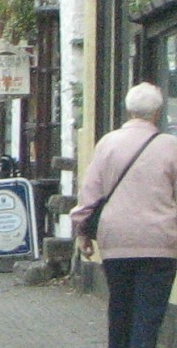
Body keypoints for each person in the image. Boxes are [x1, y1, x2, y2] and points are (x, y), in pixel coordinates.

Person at [72, 82, 177, 348]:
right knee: (148, 317)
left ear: (129, 110)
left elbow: (90, 193)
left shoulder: (108, 143)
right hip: (160, 243)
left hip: (115, 242)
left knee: (120, 311)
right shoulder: (170, 146)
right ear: (157, 112)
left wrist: (83, 231)